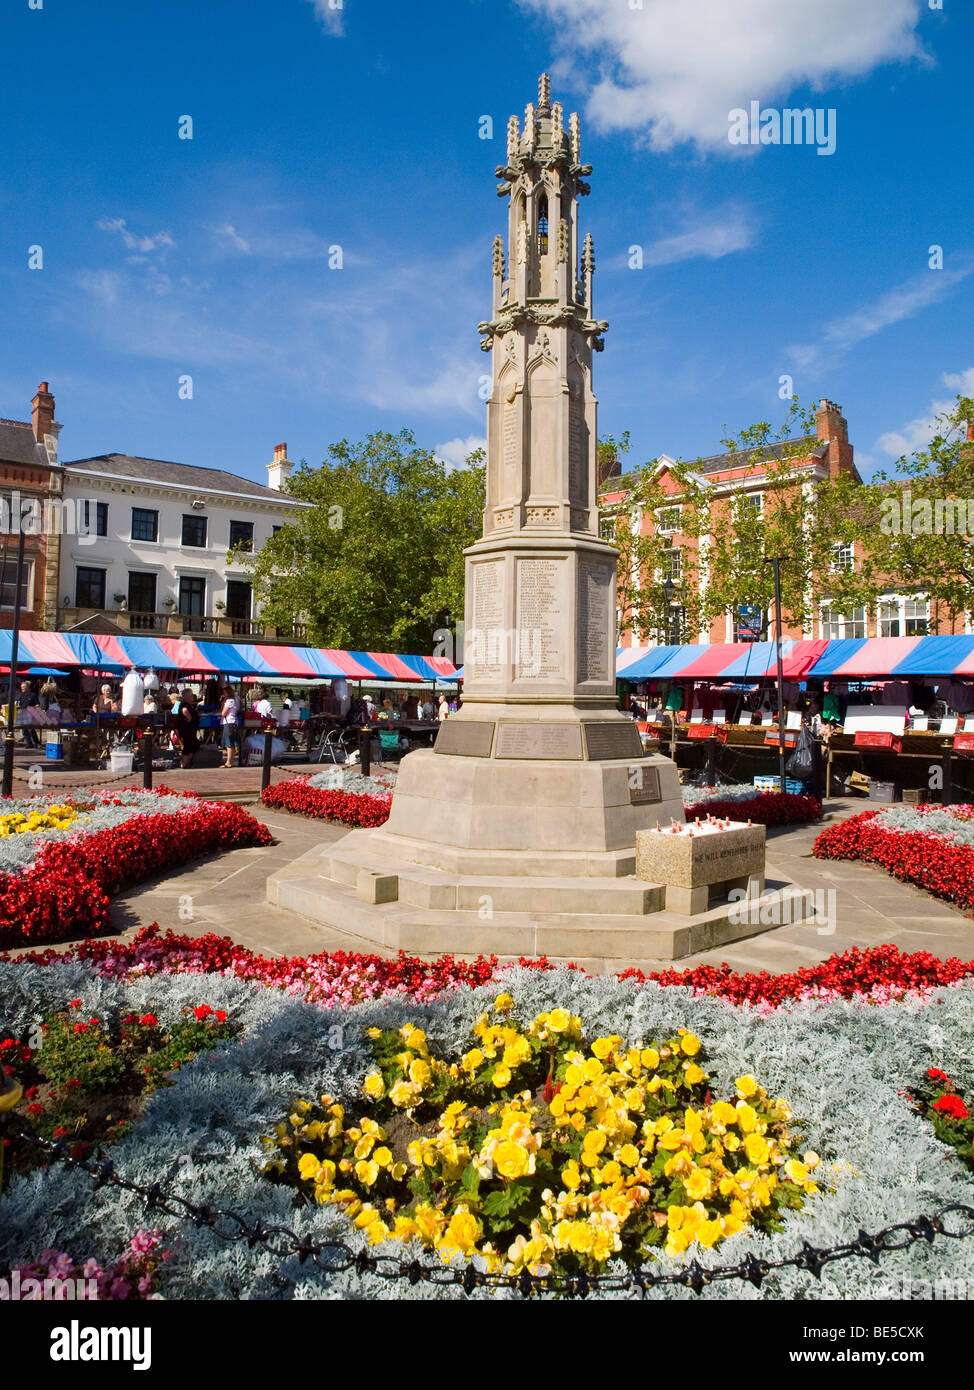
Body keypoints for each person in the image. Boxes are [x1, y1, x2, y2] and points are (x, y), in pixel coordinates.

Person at [178, 694, 201, 769]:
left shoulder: (189, 705)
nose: (192, 697)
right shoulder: (185, 705)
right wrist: (189, 718)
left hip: (191, 728)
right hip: (187, 728)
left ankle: (187, 762)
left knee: (194, 745)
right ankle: (184, 764)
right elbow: (184, 710)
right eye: (191, 695)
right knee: (188, 746)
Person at [220, 685, 240, 768]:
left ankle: (229, 762)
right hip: (232, 722)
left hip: (229, 722)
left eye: (224, 692)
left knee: (229, 743)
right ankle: (230, 761)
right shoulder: (234, 700)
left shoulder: (229, 701)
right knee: (230, 743)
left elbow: (223, 713)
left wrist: (223, 702)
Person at [16, 680, 41, 747]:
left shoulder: (33, 695)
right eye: (21, 687)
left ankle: (37, 743)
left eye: (23, 687)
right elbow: (19, 704)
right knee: (24, 731)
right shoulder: (21, 696)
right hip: (22, 714)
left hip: (30, 714)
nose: (22, 689)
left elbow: (37, 704)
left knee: (31, 730)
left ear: (28, 688)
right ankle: (29, 744)